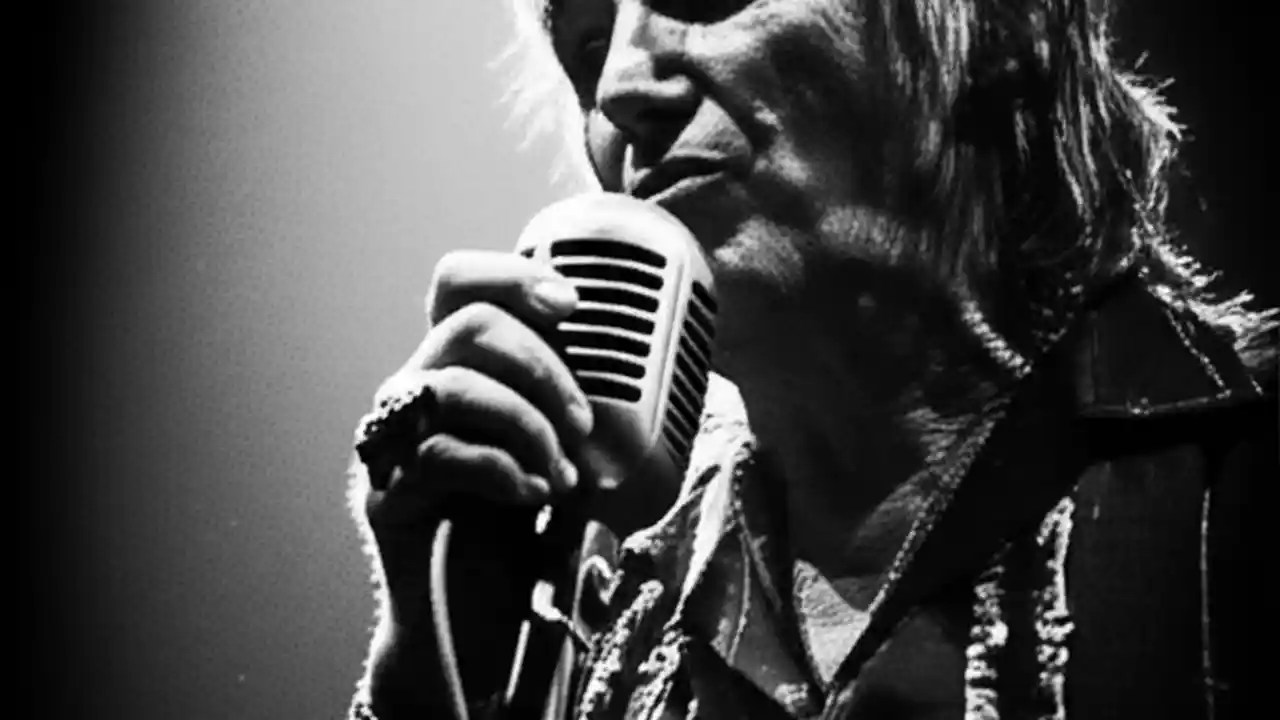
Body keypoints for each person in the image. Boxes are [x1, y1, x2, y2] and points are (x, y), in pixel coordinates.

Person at [344, 0, 1276, 718]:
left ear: (1005, 21)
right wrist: (432, 654)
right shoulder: (590, 613)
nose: (622, 87)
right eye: (587, 48)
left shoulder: (1238, 474)